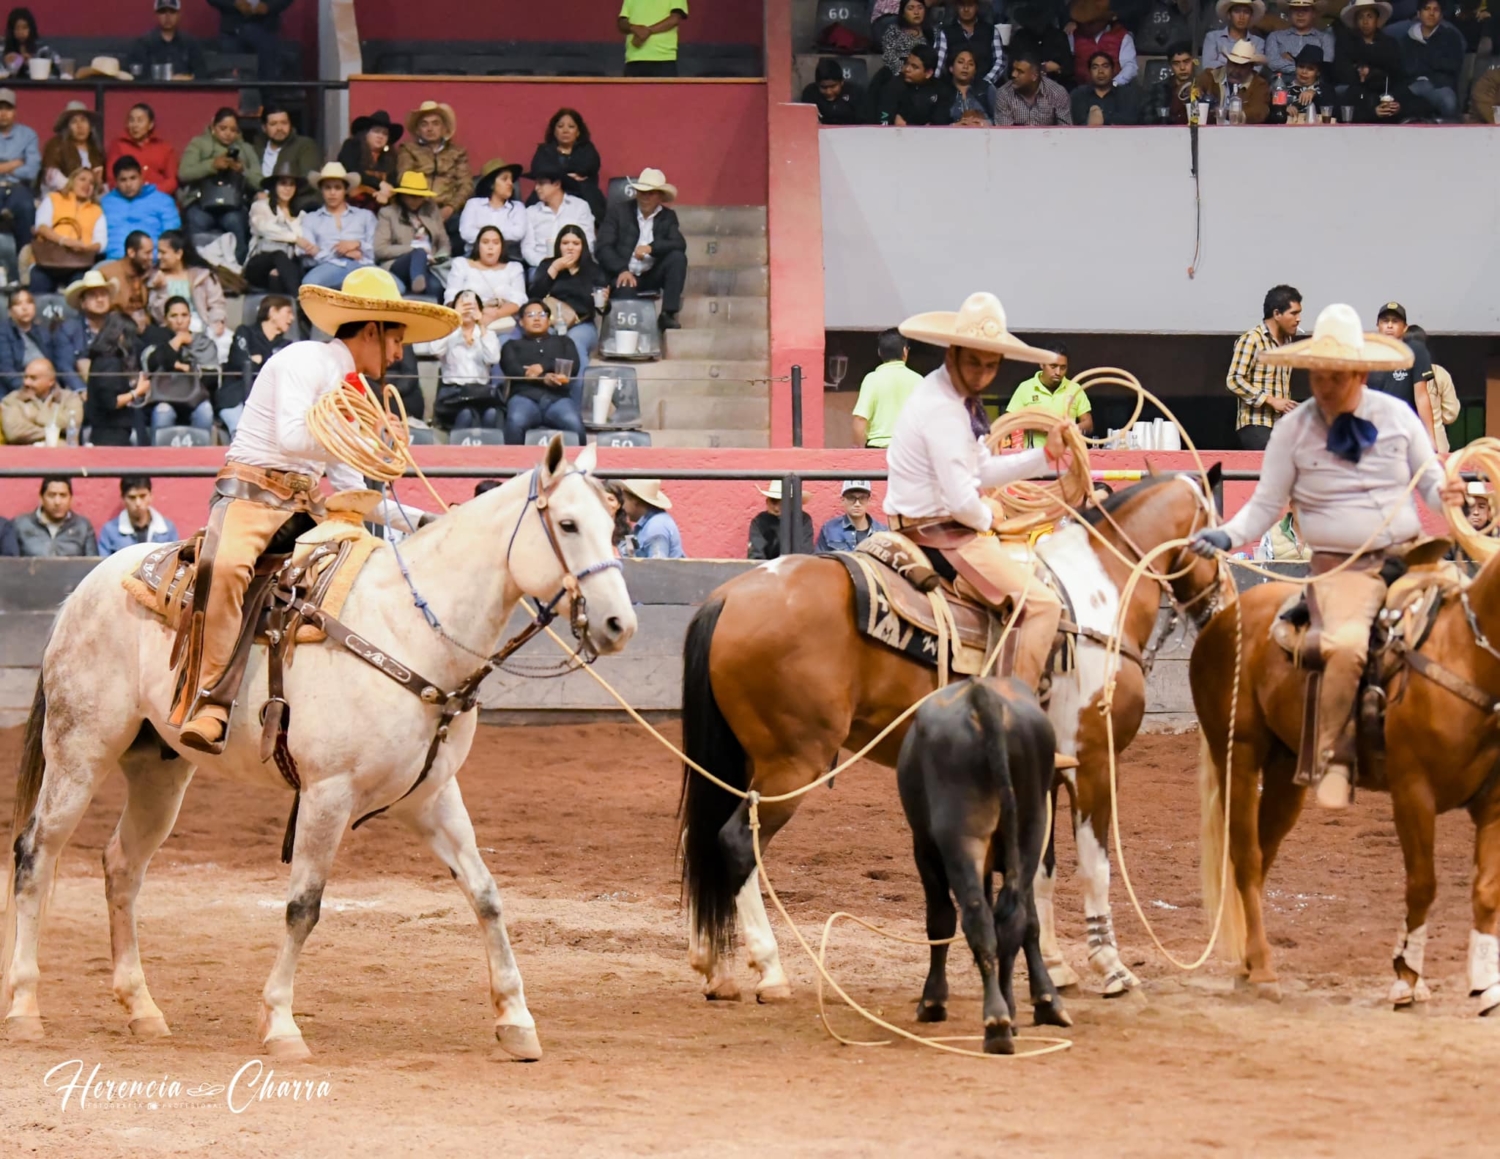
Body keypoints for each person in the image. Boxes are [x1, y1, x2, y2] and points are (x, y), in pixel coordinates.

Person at [1191, 303, 1466, 809]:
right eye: (1316, 374)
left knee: (1475, 620)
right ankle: (1332, 755)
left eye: (1335, 375)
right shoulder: (1292, 430)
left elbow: (1430, 482)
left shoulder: (1398, 417)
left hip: (1414, 557)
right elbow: (1266, 505)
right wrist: (1227, 536)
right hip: (1343, 570)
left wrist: (1449, 493)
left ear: (1360, 373)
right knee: (1346, 646)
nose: (1323, 384)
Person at [174, 266, 454, 752]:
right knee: (226, 568)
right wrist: (364, 434)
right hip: (251, 497)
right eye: (396, 340)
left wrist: (425, 521)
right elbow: (290, 437)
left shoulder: (351, 394)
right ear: (372, 330)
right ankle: (209, 700)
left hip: (306, 509)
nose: (398, 354)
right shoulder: (303, 359)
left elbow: (351, 490)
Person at [885, 292, 1072, 707]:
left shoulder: (950, 397)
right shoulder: (946, 411)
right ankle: (1011, 716)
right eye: (974, 362)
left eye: (991, 366)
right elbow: (962, 502)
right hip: (940, 534)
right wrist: (992, 517)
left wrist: (1045, 455)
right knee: (1041, 606)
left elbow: (980, 469)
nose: (983, 374)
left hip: (930, 523)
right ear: (953, 353)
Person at [595, 167, 687, 331]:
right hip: (623, 274)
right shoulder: (618, 212)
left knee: (677, 258)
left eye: (651, 193)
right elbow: (603, 247)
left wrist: (651, 248)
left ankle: (668, 314)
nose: (645, 197)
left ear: (660, 196)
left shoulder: (668, 217)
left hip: (651, 274)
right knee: (625, 289)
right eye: (642, 192)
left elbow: (679, 243)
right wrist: (621, 269)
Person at [178, 108, 261, 265]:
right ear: (213, 126)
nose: (228, 134)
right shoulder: (199, 144)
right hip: (201, 202)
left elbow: (259, 182)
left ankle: (237, 269)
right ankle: (196, 267)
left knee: (235, 222)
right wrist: (212, 165)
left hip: (234, 204)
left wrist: (243, 171)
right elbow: (184, 173)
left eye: (233, 130)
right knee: (197, 220)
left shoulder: (245, 149)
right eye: (223, 128)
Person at [531, 224, 608, 394]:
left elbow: (602, 310)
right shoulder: (547, 265)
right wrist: (554, 269)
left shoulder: (593, 270)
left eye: (575, 243)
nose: (570, 248)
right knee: (545, 341)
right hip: (551, 322)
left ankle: (579, 396)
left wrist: (603, 302)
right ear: (559, 246)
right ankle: (546, 393)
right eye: (565, 243)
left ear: (583, 246)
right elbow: (534, 297)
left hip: (582, 324)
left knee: (574, 342)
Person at [499, 299, 585, 444]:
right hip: (524, 398)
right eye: (531, 315)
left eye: (542, 314)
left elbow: (573, 366)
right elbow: (512, 369)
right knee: (515, 420)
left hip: (558, 399)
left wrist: (542, 366)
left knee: (575, 423)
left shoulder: (564, 342)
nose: (537, 319)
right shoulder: (511, 345)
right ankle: (513, 459)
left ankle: (582, 459)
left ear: (549, 320)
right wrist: (544, 378)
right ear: (521, 322)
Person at [1227, 284, 1301, 450]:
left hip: (1280, 427)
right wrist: (1271, 400)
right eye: (1294, 313)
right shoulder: (1252, 339)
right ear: (1277, 314)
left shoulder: (1287, 342)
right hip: (1256, 424)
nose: (1298, 319)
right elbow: (1234, 380)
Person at [395, 101, 472, 253]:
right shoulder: (408, 150)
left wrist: (450, 208)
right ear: (418, 130)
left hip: (449, 211)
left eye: (435, 123)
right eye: (424, 124)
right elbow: (404, 178)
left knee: (465, 233)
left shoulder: (458, 152)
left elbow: (466, 185)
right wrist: (424, 208)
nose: (430, 128)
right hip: (418, 209)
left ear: (444, 128)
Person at [421, 289, 502, 430]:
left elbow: (493, 358)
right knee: (466, 414)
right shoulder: (448, 333)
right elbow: (434, 350)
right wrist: (453, 322)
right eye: (463, 305)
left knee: (492, 414)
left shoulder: (488, 334)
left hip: (480, 393)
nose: (467, 310)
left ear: (480, 311)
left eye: (472, 306)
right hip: (453, 394)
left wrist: (482, 325)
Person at [142, 294, 218, 433]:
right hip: (163, 398)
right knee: (163, 413)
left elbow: (212, 378)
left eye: (184, 315)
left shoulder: (203, 342)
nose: (179, 321)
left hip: (196, 398)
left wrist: (186, 367)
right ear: (165, 319)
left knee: (206, 411)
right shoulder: (156, 339)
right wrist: (177, 341)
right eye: (174, 316)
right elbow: (152, 365)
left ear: (190, 317)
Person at [221, 292, 293, 434]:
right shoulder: (244, 332)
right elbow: (240, 361)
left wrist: (260, 359)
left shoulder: (287, 345)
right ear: (273, 312)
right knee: (240, 432)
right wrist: (268, 360)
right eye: (288, 312)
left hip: (271, 402)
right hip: (236, 396)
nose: (292, 318)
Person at [1365, 301, 1437, 440]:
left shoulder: (1415, 350)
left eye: (1395, 321)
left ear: (1405, 328)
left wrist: (1431, 438)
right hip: (1375, 430)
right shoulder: (1368, 353)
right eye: (1385, 321)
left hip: (1406, 429)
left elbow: (1421, 395)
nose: (1389, 325)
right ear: (1378, 325)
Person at [299, 162, 376, 290]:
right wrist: (342, 253)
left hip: (362, 266)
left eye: (338, 187)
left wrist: (358, 244)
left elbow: (375, 252)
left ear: (345, 190)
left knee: (397, 287)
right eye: (327, 188)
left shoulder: (365, 216)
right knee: (309, 284)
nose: (332, 193)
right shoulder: (310, 219)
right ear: (321, 190)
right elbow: (309, 257)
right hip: (328, 267)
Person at [30, 166, 105, 294]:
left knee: (80, 283)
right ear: (72, 181)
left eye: (91, 183)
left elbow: (101, 243)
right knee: (39, 280)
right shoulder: (53, 198)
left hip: (79, 264)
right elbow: (41, 226)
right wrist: (64, 241)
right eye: (82, 179)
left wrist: (85, 248)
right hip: (47, 261)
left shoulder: (96, 211)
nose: (87, 185)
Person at [375, 170, 450, 297]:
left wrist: (439, 257)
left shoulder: (431, 210)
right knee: (419, 253)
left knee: (435, 286)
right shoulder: (388, 213)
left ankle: (419, 287)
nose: (416, 200)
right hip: (399, 263)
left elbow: (444, 242)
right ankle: (417, 283)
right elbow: (380, 249)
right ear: (402, 195)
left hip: (430, 264)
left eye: (420, 197)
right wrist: (413, 249)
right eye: (411, 196)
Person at [528, 108, 606, 226]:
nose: (565, 130)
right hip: (550, 195)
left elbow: (587, 167)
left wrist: (558, 174)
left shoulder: (588, 149)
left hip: (581, 193)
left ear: (578, 132)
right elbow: (538, 169)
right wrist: (569, 176)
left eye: (571, 127)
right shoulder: (544, 150)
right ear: (554, 131)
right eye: (560, 126)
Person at [147, 230, 227, 340]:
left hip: (204, 327)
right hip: (170, 332)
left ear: (178, 254)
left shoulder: (201, 276)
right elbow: (159, 317)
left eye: (163, 252)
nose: (159, 256)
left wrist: (217, 321)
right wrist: (161, 290)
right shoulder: (156, 278)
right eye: (158, 252)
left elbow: (217, 304)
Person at [1334, 0, 1407, 122]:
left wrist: (1370, 71)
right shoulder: (1345, 42)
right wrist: (1362, 71)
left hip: (1385, 90)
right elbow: (1341, 70)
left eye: (1369, 16)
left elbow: (1395, 71)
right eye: (1361, 17)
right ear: (1356, 21)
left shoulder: (1389, 43)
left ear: (1377, 20)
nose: (1365, 21)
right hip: (1356, 92)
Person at [1006, 345, 1093, 446]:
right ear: (1042, 364)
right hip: (1034, 453)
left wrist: (1071, 429)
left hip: (1067, 453)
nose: (1058, 372)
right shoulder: (1025, 388)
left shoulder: (1075, 388)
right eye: (1053, 366)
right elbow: (1009, 421)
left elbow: (1088, 424)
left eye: (1063, 367)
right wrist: (1040, 425)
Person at [85, 311, 150, 447]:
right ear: (121, 336)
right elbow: (111, 402)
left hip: (109, 430)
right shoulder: (109, 362)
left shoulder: (102, 358)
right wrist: (137, 392)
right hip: (110, 433)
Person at [246, 160, 310, 295]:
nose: (287, 189)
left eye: (291, 184)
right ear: (274, 186)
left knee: (278, 274)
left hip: (286, 265)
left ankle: (293, 303)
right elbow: (264, 228)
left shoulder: (301, 215)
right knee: (279, 255)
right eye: (283, 183)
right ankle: (299, 299)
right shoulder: (260, 206)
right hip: (259, 262)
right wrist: (294, 238)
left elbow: (303, 242)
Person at [444, 225, 526, 330]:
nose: (490, 247)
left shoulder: (514, 268)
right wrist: (475, 313)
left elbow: (519, 300)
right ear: (478, 246)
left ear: (502, 247)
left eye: (495, 243)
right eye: (485, 242)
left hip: (505, 325)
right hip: (468, 321)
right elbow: (451, 296)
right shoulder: (461, 264)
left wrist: (495, 314)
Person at [521, 159, 596, 273]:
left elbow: (588, 242)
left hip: (575, 265)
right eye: (536, 183)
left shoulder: (580, 207)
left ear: (556, 184)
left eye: (541, 183)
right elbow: (527, 249)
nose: (536, 188)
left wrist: (570, 261)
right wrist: (548, 263)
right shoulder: (530, 212)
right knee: (536, 275)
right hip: (543, 267)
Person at [852, 328, 921, 448]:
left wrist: (858, 449)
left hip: (877, 449)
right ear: (905, 351)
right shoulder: (918, 380)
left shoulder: (872, 379)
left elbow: (860, 419)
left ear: (879, 352)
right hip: (909, 450)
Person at [101, 155, 179, 260]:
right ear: (116, 182)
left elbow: (171, 237)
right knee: (95, 271)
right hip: (114, 262)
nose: (128, 184)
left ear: (141, 177)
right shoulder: (105, 203)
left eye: (133, 178)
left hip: (153, 262)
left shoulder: (163, 201)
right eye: (123, 180)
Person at [0, 290, 75, 395]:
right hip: (18, 390)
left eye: (29, 302)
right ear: (9, 311)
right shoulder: (3, 332)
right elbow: (6, 371)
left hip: (48, 387)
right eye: (18, 304)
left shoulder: (42, 331)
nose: (25, 308)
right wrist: (27, 389)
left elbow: (55, 364)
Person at [57, 269, 120, 391]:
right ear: (83, 303)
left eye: (103, 294)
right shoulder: (68, 329)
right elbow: (65, 367)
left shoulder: (119, 326)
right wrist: (81, 389)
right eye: (93, 295)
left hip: (116, 389)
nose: (100, 299)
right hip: (80, 390)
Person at [1399, 0, 1463, 120]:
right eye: (1427, 9)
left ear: (1441, 15)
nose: (1431, 13)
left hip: (1440, 86)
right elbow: (1405, 69)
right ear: (1418, 13)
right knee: (1397, 100)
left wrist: (1426, 59)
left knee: (1448, 101)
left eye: (1436, 9)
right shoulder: (1407, 39)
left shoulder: (1450, 36)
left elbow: (1453, 65)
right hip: (1413, 86)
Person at [0, 358, 84, 444]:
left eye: (33, 378)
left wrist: (35, 416)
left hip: (61, 451)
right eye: (25, 377)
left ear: (50, 381)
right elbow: (15, 432)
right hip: (25, 451)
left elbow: (71, 425)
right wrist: (54, 434)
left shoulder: (70, 398)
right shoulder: (12, 399)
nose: (26, 382)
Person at [105, 103, 180, 197]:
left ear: (150, 125)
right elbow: (111, 178)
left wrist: (151, 193)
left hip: (157, 198)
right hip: (126, 198)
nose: (135, 125)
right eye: (131, 120)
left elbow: (172, 181)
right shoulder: (118, 145)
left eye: (140, 120)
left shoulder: (164, 148)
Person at [206, 0, 294, 79]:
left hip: (265, 29)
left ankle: (267, 91)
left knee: (268, 77)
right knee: (232, 78)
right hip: (232, 29)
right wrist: (234, 3)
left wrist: (268, 6)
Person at [13, 477, 96, 557]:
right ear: (41, 498)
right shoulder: (20, 525)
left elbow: (93, 563)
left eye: (63, 495)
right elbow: (11, 562)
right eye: (52, 495)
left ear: (71, 499)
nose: (57, 502)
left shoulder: (83, 526)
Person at [459, 158, 527, 256]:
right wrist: (500, 235)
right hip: (474, 255)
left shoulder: (518, 207)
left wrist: (483, 234)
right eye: (504, 179)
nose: (510, 183)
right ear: (491, 184)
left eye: (511, 179)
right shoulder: (473, 204)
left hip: (507, 256)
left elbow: (518, 233)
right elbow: (466, 233)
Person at [126, 0, 207, 81]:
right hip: (153, 88)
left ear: (179, 15)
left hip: (183, 88)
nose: (167, 16)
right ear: (156, 15)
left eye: (172, 11)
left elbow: (202, 74)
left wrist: (184, 79)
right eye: (162, 11)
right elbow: (134, 75)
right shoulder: (143, 44)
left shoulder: (190, 43)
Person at [0, 87, 39, 254]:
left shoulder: (28, 135)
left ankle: (24, 258)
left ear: (15, 111)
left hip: (18, 187)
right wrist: (12, 165)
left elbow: (32, 171)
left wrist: (7, 169)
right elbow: (24, 166)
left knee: (25, 206)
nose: (3, 113)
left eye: (7, 109)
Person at [98, 475, 179, 556]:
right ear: (123, 499)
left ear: (151, 496)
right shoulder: (110, 531)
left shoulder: (168, 529)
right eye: (132, 497)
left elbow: (176, 560)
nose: (138, 503)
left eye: (142, 496)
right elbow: (103, 562)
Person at [337, 109, 401, 211]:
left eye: (385, 133)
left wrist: (387, 193)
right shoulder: (352, 146)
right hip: (352, 205)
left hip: (383, 206)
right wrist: (379, 184)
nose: (380, 136)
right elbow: (351, 170)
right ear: (366, 133)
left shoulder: (391, 156)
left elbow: (394, 181)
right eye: (376, 131)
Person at [877, 44, 955, 126]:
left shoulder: (941, 90)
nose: (907, 69)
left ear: (928, 73)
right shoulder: (893, 87)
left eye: (914, 67)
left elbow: (940, 120)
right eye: (907, 63)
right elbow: (884, 119)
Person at [1197, 40, 1272, 123]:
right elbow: (1193, 88)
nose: (1236, 71)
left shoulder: (1259, 84)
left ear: (1251, 68)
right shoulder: (1210, 76)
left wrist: (1229, 114)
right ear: (1227, 62)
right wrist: (1195, 91)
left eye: (1242, 67)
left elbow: (1260, 111)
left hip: (1242, 130)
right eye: (1233, 64)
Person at [1068, 0, 1138, 88]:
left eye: (1091, 23)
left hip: (1116, 90)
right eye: (1083, 23)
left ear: (1103, 20)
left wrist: (1113, 84)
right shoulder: (1074, 36)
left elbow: (1130, 67)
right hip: (1083, 90)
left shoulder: (1122, 36)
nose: (1086, 27)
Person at [95, 229, 156, 330]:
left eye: (152, 252)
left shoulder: (150, 273)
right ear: (131, 252)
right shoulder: (107, 273)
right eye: (147, 253)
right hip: (116, 328)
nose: (151, 257)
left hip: (145, 327)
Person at [39, 101, 104, 194]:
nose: (80, 126)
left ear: (90, 127)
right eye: (74, 122)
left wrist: (98, 184)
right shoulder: (55, 144)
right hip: (61, 195)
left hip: (89, 195)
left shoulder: (95, 149)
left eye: (83, 120)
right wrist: (73, 188)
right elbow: (51, 174)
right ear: (67, 128)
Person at [251, 106, 321, 188]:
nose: (279, 128)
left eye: (284, 123)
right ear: (264, 128)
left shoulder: (304, 146)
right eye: (273, 124)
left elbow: (308, 182)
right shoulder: (257, 149)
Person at [1006, 2, 1073, 90]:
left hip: (1056, 85)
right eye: (1033, 20)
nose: (1037, 24)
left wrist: (1058, 68)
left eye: (1040, 20)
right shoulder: (1020, 37)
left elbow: (1069, 68)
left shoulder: (1058, 36)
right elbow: (1011, 70)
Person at [935, 0, 1004, 84]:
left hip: (987, 84)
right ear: (956, 7)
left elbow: (1000, 62)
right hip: (952, 87)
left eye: (970, 5)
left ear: (977, 7)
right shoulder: (945, 32)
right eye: (962, 5)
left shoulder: (991, 31)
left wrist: (985, 83)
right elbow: (938, 63)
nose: (966, 9)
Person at [994, 54, 1074, 124]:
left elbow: (1065, 130)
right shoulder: (1004, 93)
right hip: (1016, 137)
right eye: (1014, 70)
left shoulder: (1057, 92)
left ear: (1034, 76)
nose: (1013, 74)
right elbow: (1005, 132)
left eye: (1020, 71)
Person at [747, 479, 816, 560]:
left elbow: (805, 555)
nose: (777, 508)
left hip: (795, 566)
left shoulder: (803, 520)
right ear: (767, 501)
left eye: (783, 502)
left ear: (792, 502)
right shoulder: (759, 522)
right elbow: (756, 556)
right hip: (768, 567)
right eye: (774, 501)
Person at [619, 0, 690, 77]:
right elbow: (622, 21)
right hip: (634, 59)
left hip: (663, 58)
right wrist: (633, 28)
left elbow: (674, 19)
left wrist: (647, 31)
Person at [1266, 0, 1334, 80]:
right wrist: (1310, 67)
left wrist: (1291, 61)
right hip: (1281, 82)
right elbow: (1272, 63)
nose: (1300, 14)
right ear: (1289, 13)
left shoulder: (1325, 38)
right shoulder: (1275, 36)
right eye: (1295, 10)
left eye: (1305, 10)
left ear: (1314, 13)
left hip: (1315, 83)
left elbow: (1325, 65)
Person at [816, 480, 888, 553]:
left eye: (862, 498)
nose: (857, 504)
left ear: (869, 500)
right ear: (843, 500)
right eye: (851, 498)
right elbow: (819, 558)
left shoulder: (883, 533)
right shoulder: (829, 529)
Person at [1070, 51, 1141, 124]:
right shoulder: (1078, 94)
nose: (1100, 71)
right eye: (1095, 67)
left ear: (1113, 70)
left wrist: (1102, 117)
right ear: (1089, 72)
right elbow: (1078, 122)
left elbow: (1130, 120)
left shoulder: (1126, 94)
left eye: (1105, 66)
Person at [620, 479, 684, 558]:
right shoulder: (647, 524)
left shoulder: (656, 528)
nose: (622, 507)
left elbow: (656, 564)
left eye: (624, 501)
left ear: (635, 501)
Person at [1419, 329, 1459, 453]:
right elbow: (1450, 414)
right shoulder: (1439, 373)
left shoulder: (1396, 374)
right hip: (1437, 444)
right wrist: (1436, 417)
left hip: (1406, 444)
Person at [1202, 0, 1267, 70]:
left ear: (1250, 16)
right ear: (1229, 15)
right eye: (1237, 11)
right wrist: (1241, 68)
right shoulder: (1213, 37)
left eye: (1246, 12)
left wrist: (1225, 66)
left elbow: (1256, 69)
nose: (1241, 17)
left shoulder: (1258, 42)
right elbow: (1208, 65)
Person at [801, 57, 865, 124]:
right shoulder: (810, 93)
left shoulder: (856, 92)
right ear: (817, 84)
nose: (828, 92)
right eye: (823, 87)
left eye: (833, 86)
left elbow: (862, 121)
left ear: (841, 82)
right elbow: (806, 120)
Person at [1147, 44, 1198, 124]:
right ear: (1170, 65)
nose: (1182, 68)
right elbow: (1148, 120)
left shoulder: (1202, 86)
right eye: (1176, 63)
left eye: (1186, 62)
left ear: (1194, 62)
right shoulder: (1159, 90)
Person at [947, 48, 999, 124]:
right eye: (961, 62)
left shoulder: (987, 89)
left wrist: (985, 123)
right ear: (951, 68)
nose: (965, 67)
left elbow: (1000, 119)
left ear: (975, 70)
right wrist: (954, 126)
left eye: (971, 64)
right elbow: (937, 122)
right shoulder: (942, 91)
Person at [2, 7, 56, 76]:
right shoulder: (4, 50)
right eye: (17, 28)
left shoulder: (43, 50)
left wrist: (33, 62)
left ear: (31, 28)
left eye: (25, 28)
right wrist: (5, 63)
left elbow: (57, 72)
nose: (21, 32)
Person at [881, 0, 930, 75]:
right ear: (903, 13)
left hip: (924, 75)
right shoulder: (894, 30)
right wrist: (906, 70)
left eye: (920, 8)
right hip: (896, 74)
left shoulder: (932, 33)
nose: (916, 12)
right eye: (910, 8)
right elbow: (888, 56)